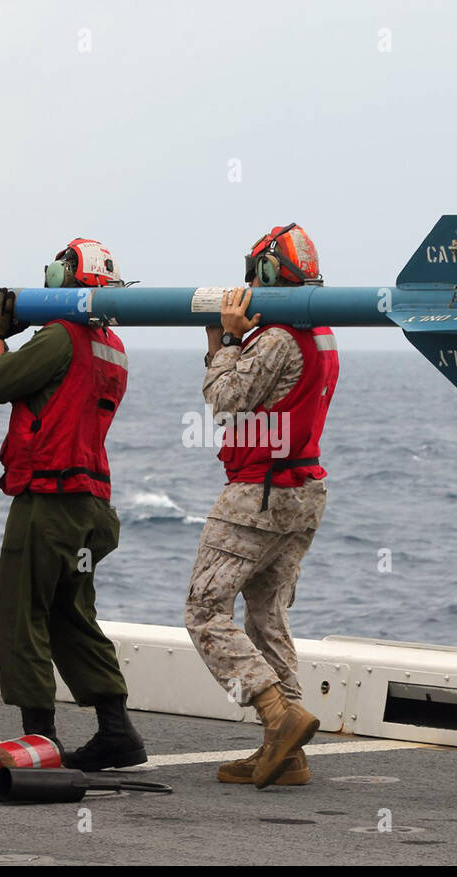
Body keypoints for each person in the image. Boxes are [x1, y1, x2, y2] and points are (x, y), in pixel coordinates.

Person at [0, 238, 146, 771]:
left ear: (72, 281)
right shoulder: (111, 345)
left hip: (48, 500)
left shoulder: (62, 336)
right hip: (91, 507)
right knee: (73, 617)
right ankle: (116, 731)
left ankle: (39, 741)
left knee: (19, 616)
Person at [184, 223, 339, 789]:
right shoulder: (321, 332)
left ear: (269, 275)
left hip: (260, 493)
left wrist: (226, 343)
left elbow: (224, 402)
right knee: (267, 616)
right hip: (301, 491)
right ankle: (288, 754)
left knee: (204, 611)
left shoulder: (274, 340)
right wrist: (225, 342)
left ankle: (279, 713)